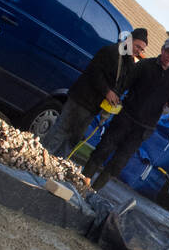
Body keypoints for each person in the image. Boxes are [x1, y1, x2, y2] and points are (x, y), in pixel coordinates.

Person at [88, 38, 169, 192]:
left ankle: (93, 190)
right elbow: (124, 83)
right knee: (103, 149)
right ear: (162, 50)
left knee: (119, 162)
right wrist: (113, 95)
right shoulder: (145, 65)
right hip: (126, 117)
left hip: (144, 128)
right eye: (168, 52)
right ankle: (82, 180)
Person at [42, 27, 147, 158]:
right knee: (62, 129)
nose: (138, 51)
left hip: (93, 107)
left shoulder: (129, 63)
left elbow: (122, 84)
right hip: (81, 98)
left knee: (74, 138)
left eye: (142, 49)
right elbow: (94, 72)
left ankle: (54, 164)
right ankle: (42, 157)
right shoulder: (110, 51)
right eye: (137, 46)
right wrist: (107, 92)